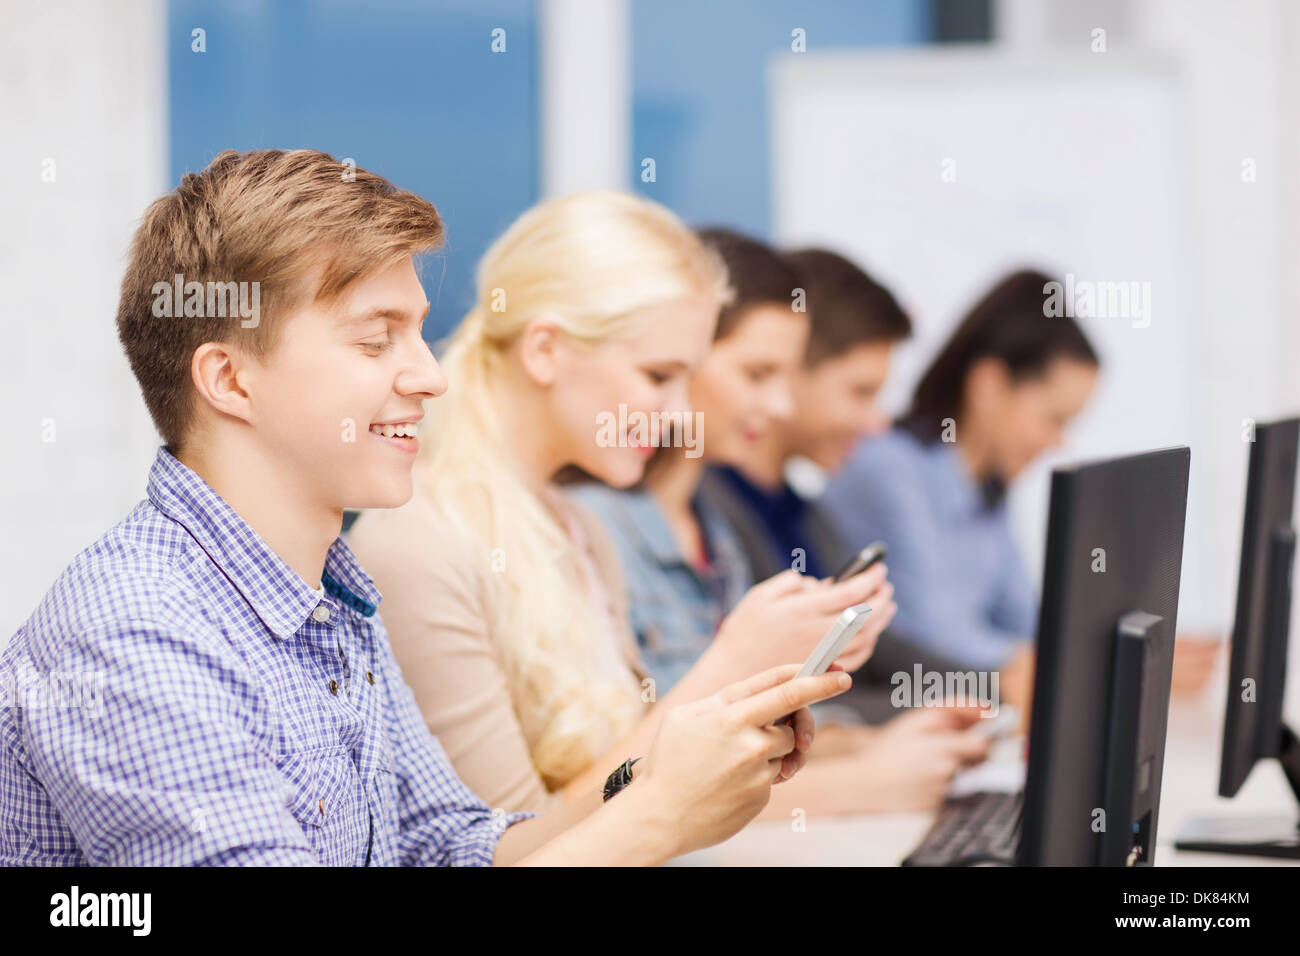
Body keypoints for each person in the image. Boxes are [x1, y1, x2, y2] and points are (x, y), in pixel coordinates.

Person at [0, 150, 853, 867]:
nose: (429, 375)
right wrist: (658, 815)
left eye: (418, 333)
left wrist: (675, 763)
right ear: (230, 380)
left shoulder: (332, 599)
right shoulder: (133, 633)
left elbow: (456, 846)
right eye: (376, 341)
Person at [347, 192, 892, 816]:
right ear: (545, 349)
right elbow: (503, 849)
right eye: (659, 377)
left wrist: (772, 676)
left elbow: (628, 779)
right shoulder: (421, 545)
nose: (682, 413)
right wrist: (733, 661)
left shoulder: (580, 531)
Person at [570, 232, 991, 813]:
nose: (780, 407)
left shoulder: (715, 535)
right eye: (757, 373)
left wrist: (859, 744)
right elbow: (622, 785)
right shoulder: (595, 534)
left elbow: (738, 739)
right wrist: (861, 782)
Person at [822, 269, 1099, 715]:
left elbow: (1026, 622)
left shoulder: (990, 487)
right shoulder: (887, 467)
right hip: (890, 712)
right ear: (989, 384)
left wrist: (1092, 651)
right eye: (1054, 419)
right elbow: (933, 633)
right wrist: (1063, 665)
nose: (1058, 442)